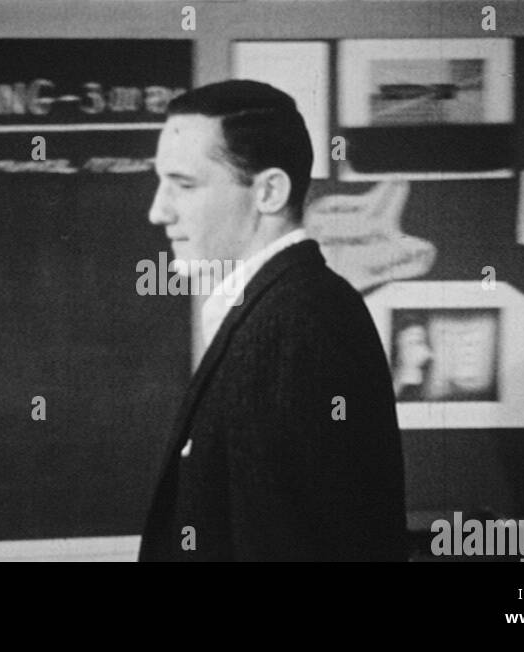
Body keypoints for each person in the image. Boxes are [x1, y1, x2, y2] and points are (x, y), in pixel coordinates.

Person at [138, 80, 407, 561]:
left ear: (268, 191)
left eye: (183, 184)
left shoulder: (297, 324)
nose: (158, 211)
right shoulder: (277, 310)